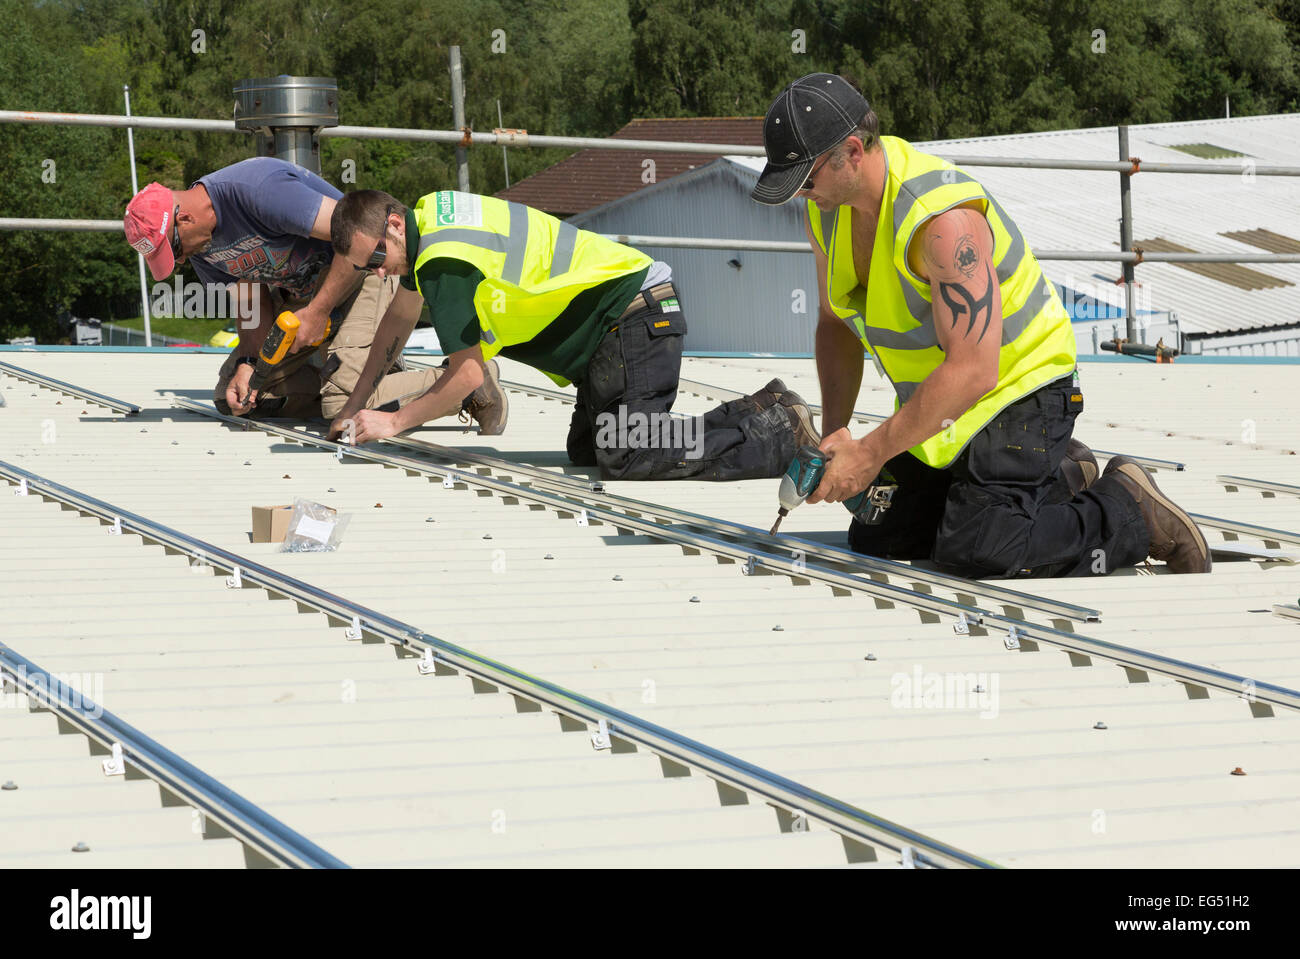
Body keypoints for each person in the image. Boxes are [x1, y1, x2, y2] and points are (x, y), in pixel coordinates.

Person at [750, 73, 1210, 576]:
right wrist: (837, 433)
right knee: (880, 532)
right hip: (950, 406)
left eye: (806, 179)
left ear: (854, 152)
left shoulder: (942, 223)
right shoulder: (828, 211)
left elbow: (974, 370)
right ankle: (1054, 477)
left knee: (980, 551)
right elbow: (833, 321)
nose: (801, 194)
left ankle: (1130, 509)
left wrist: (873, 450)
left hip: (1021, 393)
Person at [323, 189, 817, 481]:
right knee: (592, 451)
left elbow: (467, 374)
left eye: (374, 258)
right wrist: (354, 403)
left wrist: (394, 423)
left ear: (392, 223)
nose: (378, 272)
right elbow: (395, 321)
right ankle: (760, 410)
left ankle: (781, 433)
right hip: (618, 327)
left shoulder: (443, 261)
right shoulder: (429, 218)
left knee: (629, 454)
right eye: (365, 267)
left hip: (634, 317)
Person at [122, 157, 506, 431]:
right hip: (309, 300)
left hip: (368, 272)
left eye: (176, 250)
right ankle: (359, 379)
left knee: (342, 403)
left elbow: (357, 239)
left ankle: (468, 383)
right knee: (240, 397)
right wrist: (252, 363)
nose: (182, 259)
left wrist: (320, 309)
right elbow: (250, 303)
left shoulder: (256, 190)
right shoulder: (203, 246)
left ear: (183, 219)